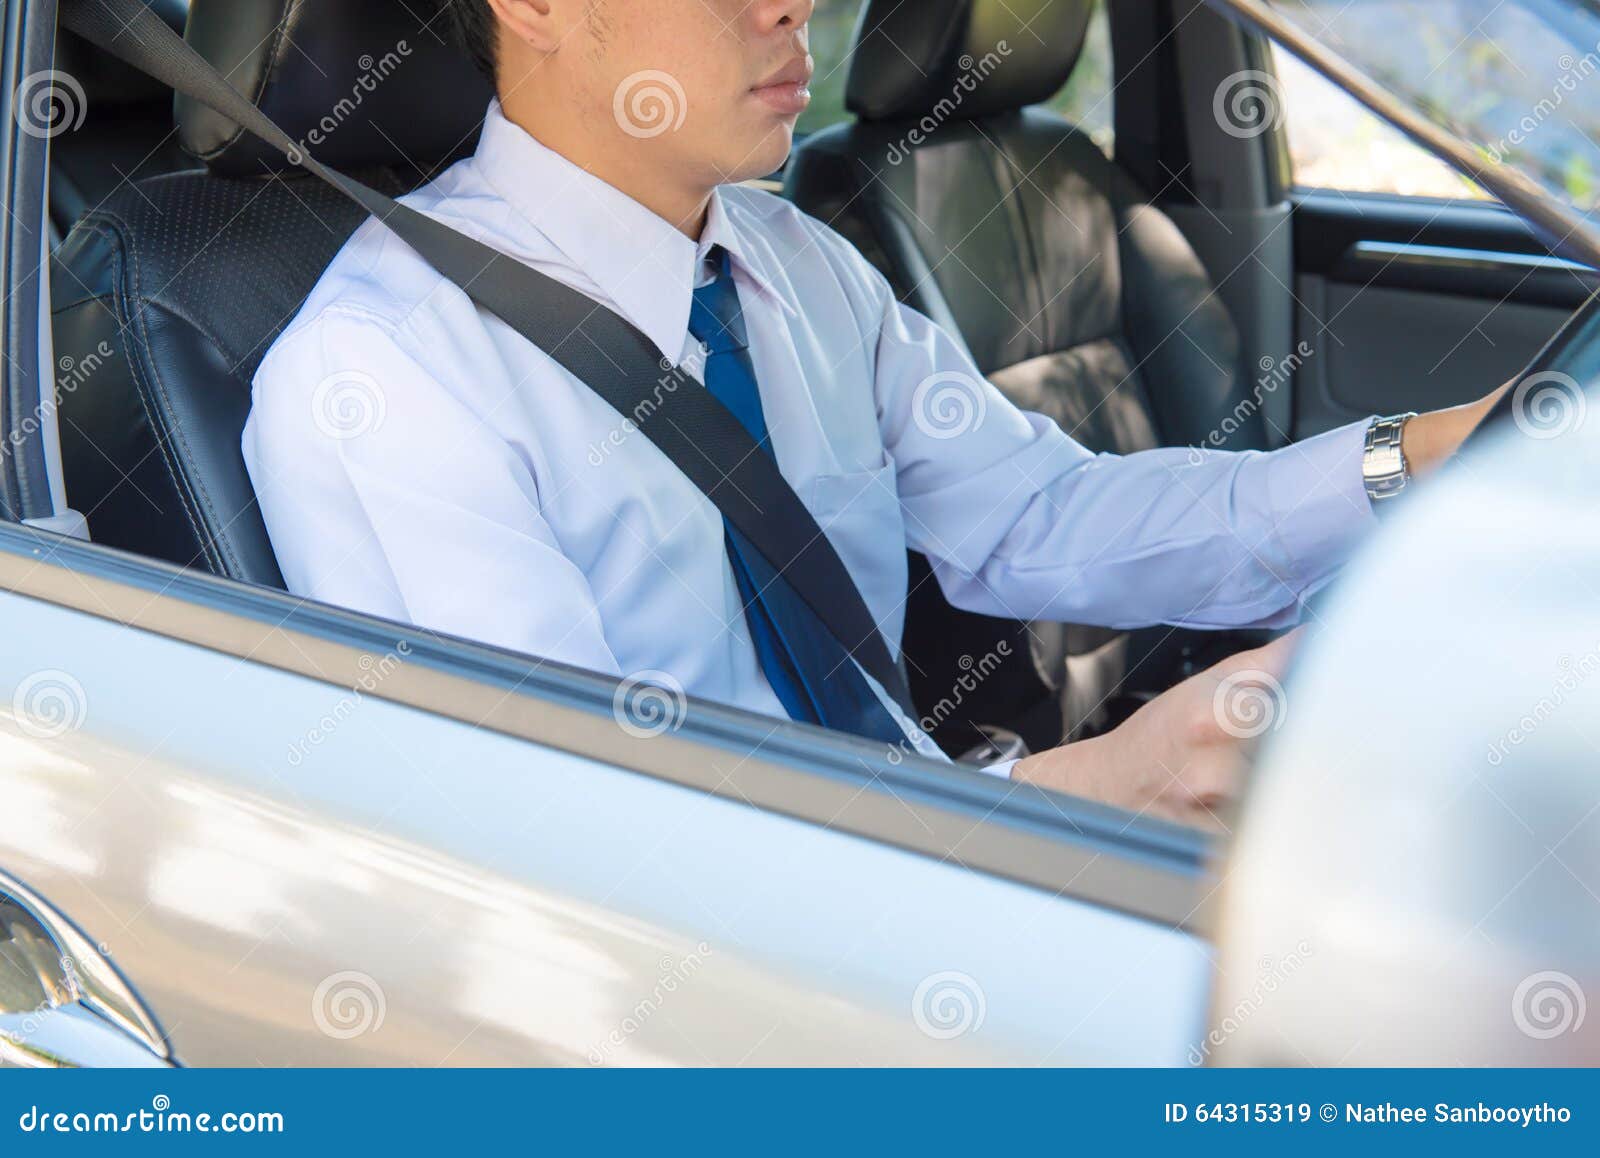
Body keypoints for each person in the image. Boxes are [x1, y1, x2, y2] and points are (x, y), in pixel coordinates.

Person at [243, 0, 1505, 828]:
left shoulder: (791, 265)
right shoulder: (385, 379)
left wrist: (1428, 457)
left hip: (935, 856)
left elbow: (1046, 515)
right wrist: (1100, 785)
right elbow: (585, 852)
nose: (793, 4)